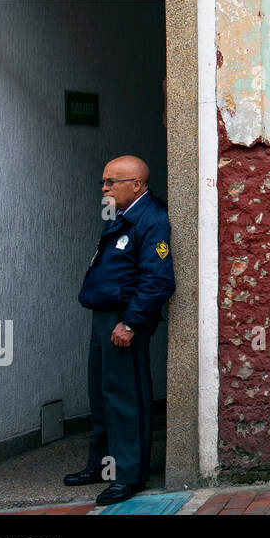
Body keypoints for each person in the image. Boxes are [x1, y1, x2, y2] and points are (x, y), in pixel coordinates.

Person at [62, 155, 174, 506]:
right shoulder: (119, 215)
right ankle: (102, 464)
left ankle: (127, 474)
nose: (105, 188)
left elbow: (158, 280)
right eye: (104, 182)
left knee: (126, 399)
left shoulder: (151, 218)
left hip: (124, 320)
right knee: (101, 394)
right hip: (103, 316)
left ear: (136, 185)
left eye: (112, 182)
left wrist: (131, 322)